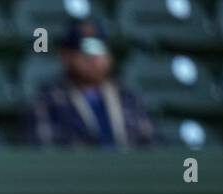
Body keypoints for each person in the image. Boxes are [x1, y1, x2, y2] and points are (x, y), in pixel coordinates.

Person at [27, 18, 157, 148]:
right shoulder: (49, 101)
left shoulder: (128, 98)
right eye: (85, 52)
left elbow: (153, 150)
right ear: (66, 56)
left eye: (99, 50)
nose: (94, 59)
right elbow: (46, 156)